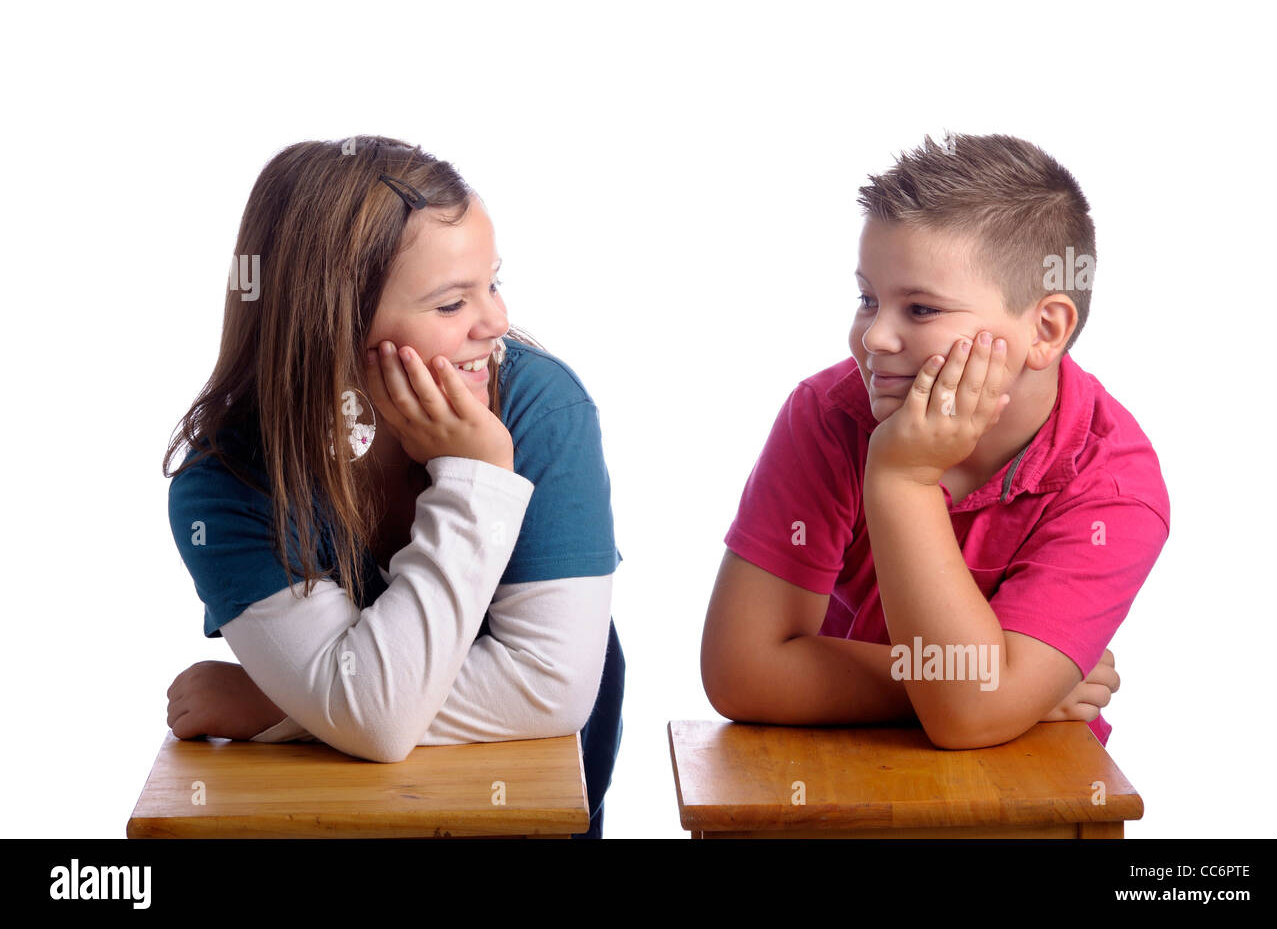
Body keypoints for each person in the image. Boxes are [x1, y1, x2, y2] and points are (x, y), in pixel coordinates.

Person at [163, 135, 624, 837]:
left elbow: (550, 687)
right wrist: (345, 706)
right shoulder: (225, 483)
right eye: (450, 305)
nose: (496, 323)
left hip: (526, 804)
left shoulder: (544, 411)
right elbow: (375, 718)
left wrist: (288, 708)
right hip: (351, 811)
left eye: (492, 283)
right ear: (331, 331)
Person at [702, 133, 1169, 749]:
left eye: (920, 310)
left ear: (1046, 329)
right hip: (836, 771)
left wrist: (904, 481)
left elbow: (969, 720)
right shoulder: (829, 414)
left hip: (1026, 798)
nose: (875, 338)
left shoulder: (1113, 484)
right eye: (868, 299)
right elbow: (741, 672)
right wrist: (1003, 690)